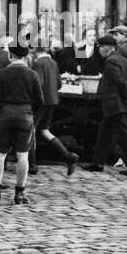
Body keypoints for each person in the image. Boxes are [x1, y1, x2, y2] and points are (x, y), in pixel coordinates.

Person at [0, 43, 45, 203]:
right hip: (25, 115)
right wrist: (30, 111)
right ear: (26, 56)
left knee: (0, 154)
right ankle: (19, 193)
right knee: (23, 155)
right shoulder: (32, 74)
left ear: (10, 55)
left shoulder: (2, 74)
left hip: (5, 115)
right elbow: (40, 100)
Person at [82, 34, 127, 178]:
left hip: (114, 103)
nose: (99, 51)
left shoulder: (111, 61)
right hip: (116, 104)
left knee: (124, 136)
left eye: (100, 48)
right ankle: (97, 162)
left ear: (108, 48)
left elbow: (119, 81)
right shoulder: (124, 60)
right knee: (104, 134)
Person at [31, 42, 78, 175]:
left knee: (30, 132)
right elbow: (59, 84)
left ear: (36, 51)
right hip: (53, 100)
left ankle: (32, 165)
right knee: (44, 130)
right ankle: (68, 156)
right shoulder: (53, 63)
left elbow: (38, 84)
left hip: (41, 102)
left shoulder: (38, 63)